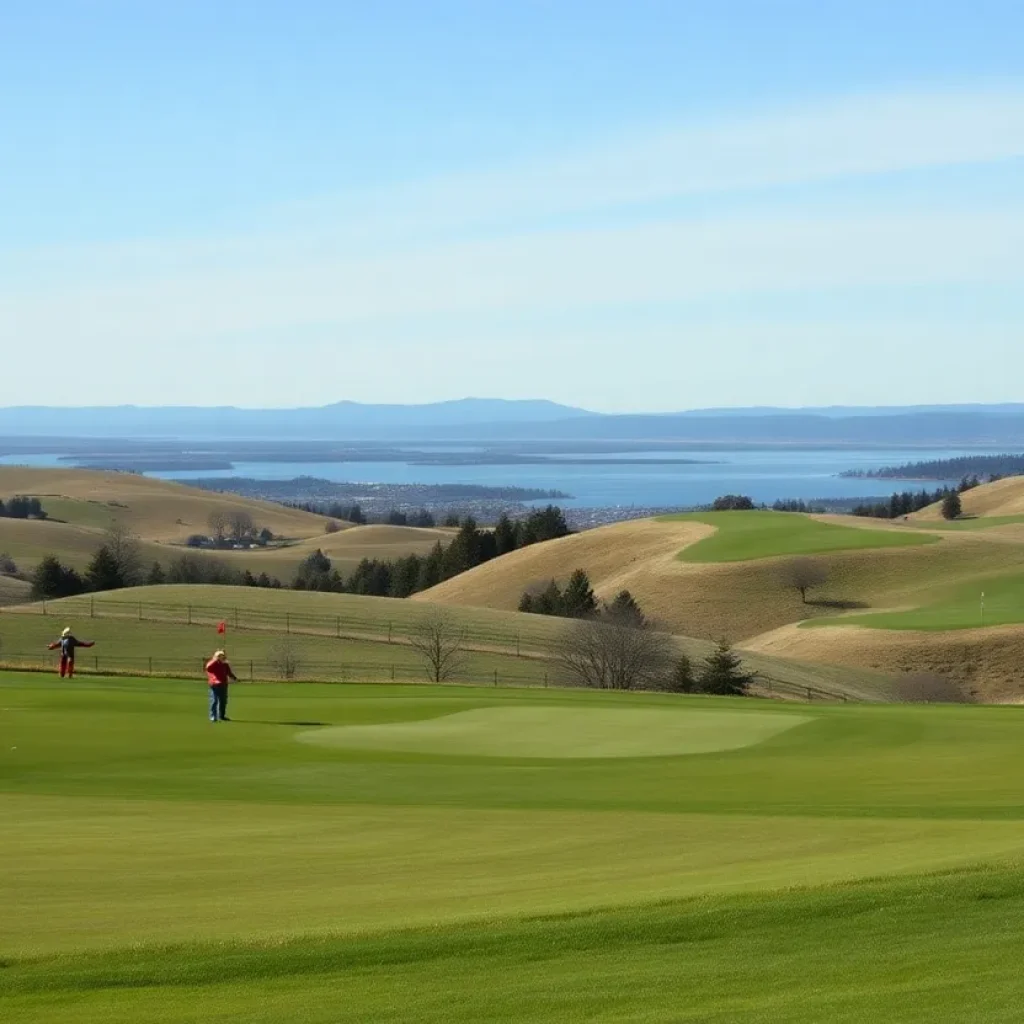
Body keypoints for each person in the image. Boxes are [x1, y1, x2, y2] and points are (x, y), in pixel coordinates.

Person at [205, 649, 237, 722]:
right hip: (214, 684)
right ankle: (213, 717)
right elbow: (208, 668)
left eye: (222, 656)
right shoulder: (213, 663)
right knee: (214, 700)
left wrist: (234, 678)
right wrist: (215, 660)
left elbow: (229, 673)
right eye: (220, 656)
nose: (222, 657)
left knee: (223, 701)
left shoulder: (225, 664)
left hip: (223, 684)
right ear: (216, 656)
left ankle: (222, 716)